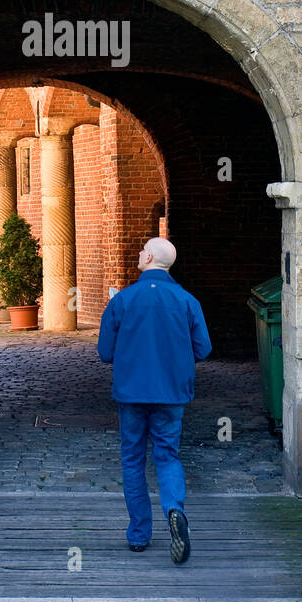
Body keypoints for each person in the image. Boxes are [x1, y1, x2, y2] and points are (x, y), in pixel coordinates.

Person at [98, 238, 212, 563]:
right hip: (171, 393)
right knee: (167, 456)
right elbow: (203, 349)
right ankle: (175, 511)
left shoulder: (123, 301)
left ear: (148, 257)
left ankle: (139, 534)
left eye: (140, 251)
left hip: (132, 393)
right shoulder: (187, 300)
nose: (137, 254)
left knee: (133, 459)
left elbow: (105, 352)